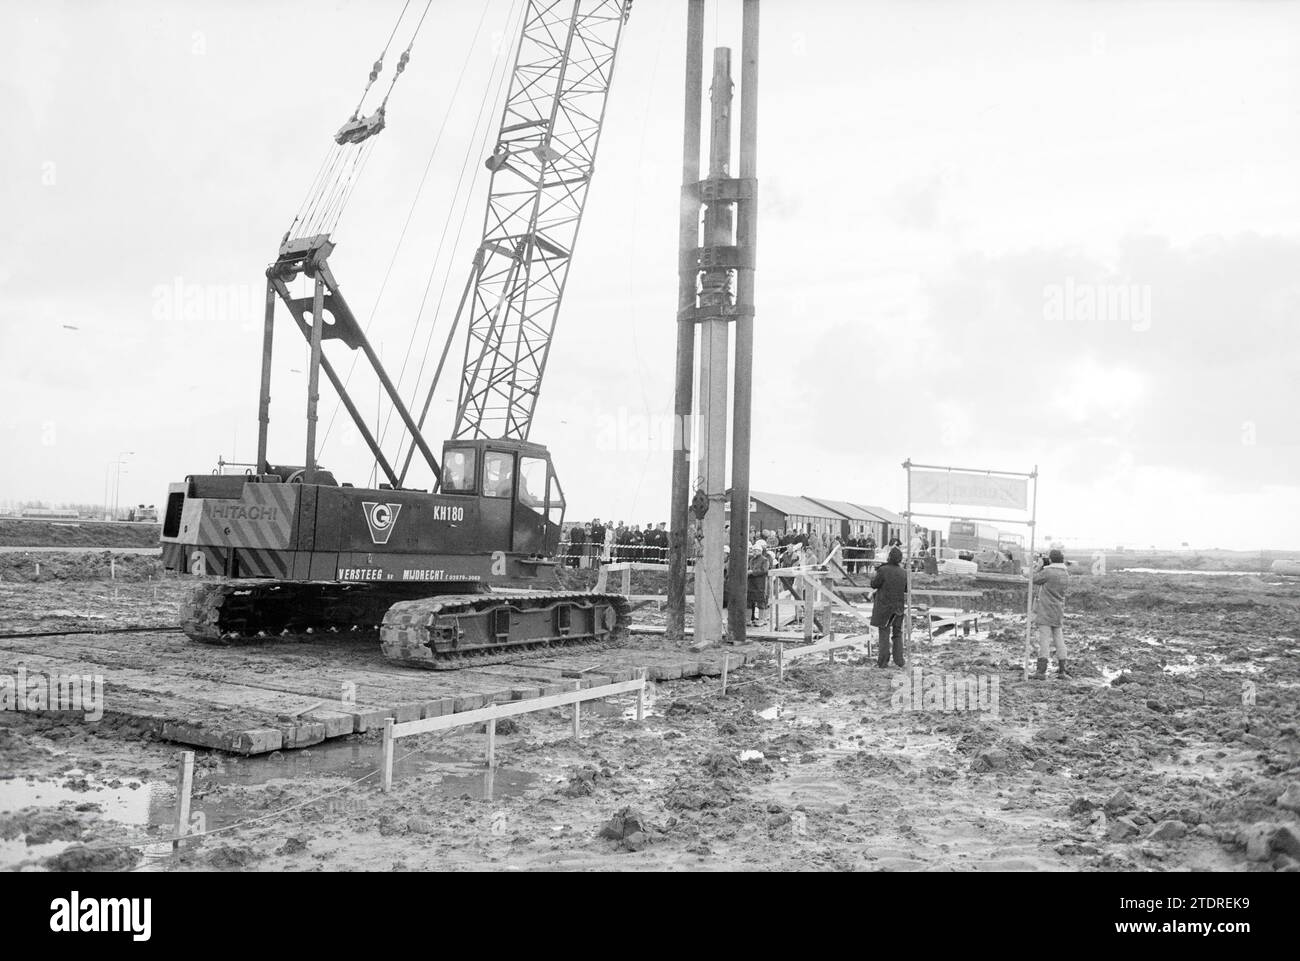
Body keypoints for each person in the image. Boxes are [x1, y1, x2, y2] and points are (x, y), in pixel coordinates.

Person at [1032, 549, 1071, 678]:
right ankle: (1062, 670)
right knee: (1059, 640)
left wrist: (1038, 566)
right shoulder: (1065, 573)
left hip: (1045, 611)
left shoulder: (1048, 572)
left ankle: (1041, 671)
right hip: (1058, 611)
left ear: (1051, 559)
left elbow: (1033, 579)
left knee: (1044, 641)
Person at [870, 546, 908, 668]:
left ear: (889, 557)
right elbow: (906, 589)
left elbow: (874, 584)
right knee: (897, 633)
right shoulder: (904, 572)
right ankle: (899, 661)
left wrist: (874, 574)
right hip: (899, 607)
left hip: (885, 608)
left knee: (884, 634)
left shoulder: (883, 570)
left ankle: (883, 662)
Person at [746, 541, 772, 626]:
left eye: (756, 550)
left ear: (760, 551)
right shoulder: (751, 560)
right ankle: (748, 619)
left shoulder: (765, 560)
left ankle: (762, 619)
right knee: (749, 602)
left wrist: (752, 572)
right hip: (751, 584)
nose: (754, 552)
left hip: (760, 584)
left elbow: (764, 571)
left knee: (761, 602)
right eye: (753, 550)